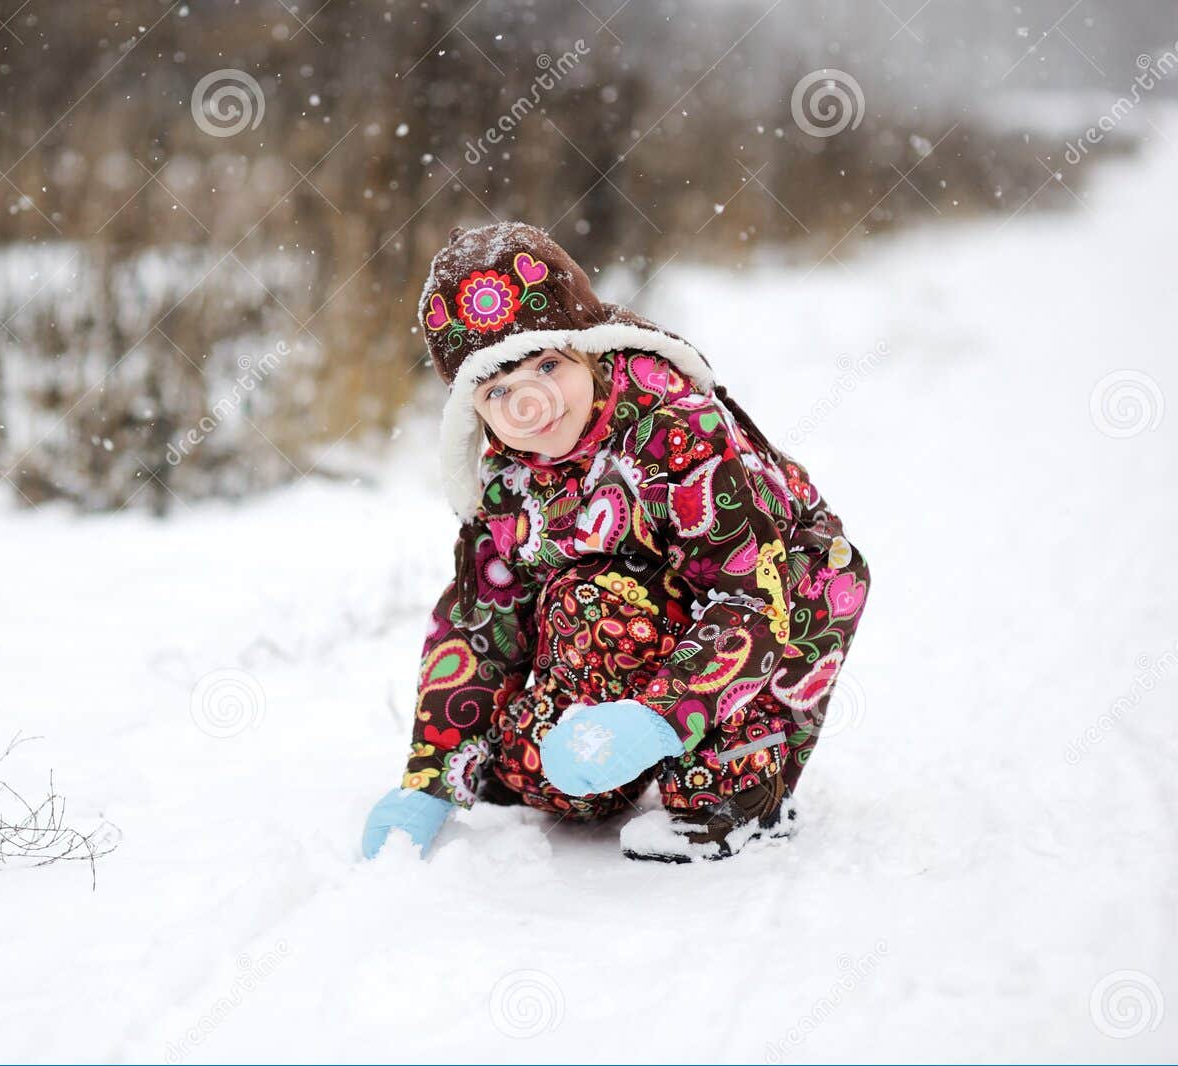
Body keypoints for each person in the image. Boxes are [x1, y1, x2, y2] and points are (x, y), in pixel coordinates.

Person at [361, 222, 870, 863]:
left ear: (591, 350)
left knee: (776, 599)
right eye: (497, 389)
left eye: (547, 365)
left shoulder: (674, 430)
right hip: (639, 603)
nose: (532, 402)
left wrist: (662, 713)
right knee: (559, 744)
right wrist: (433, 777)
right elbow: (478, 626)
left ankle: (737, 789)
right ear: (474, 410)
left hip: (776, 585)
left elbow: (747, 590)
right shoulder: (510, 484)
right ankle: (595, 766)